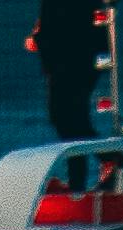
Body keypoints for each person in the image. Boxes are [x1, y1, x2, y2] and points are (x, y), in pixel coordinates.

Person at [31, 0, 101, 142]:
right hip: (81, 61)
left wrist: (38, 39)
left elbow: (56, 23)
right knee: (76, 119)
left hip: (65, 62)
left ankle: (109, 157)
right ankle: (109, 158)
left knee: (63, 117)